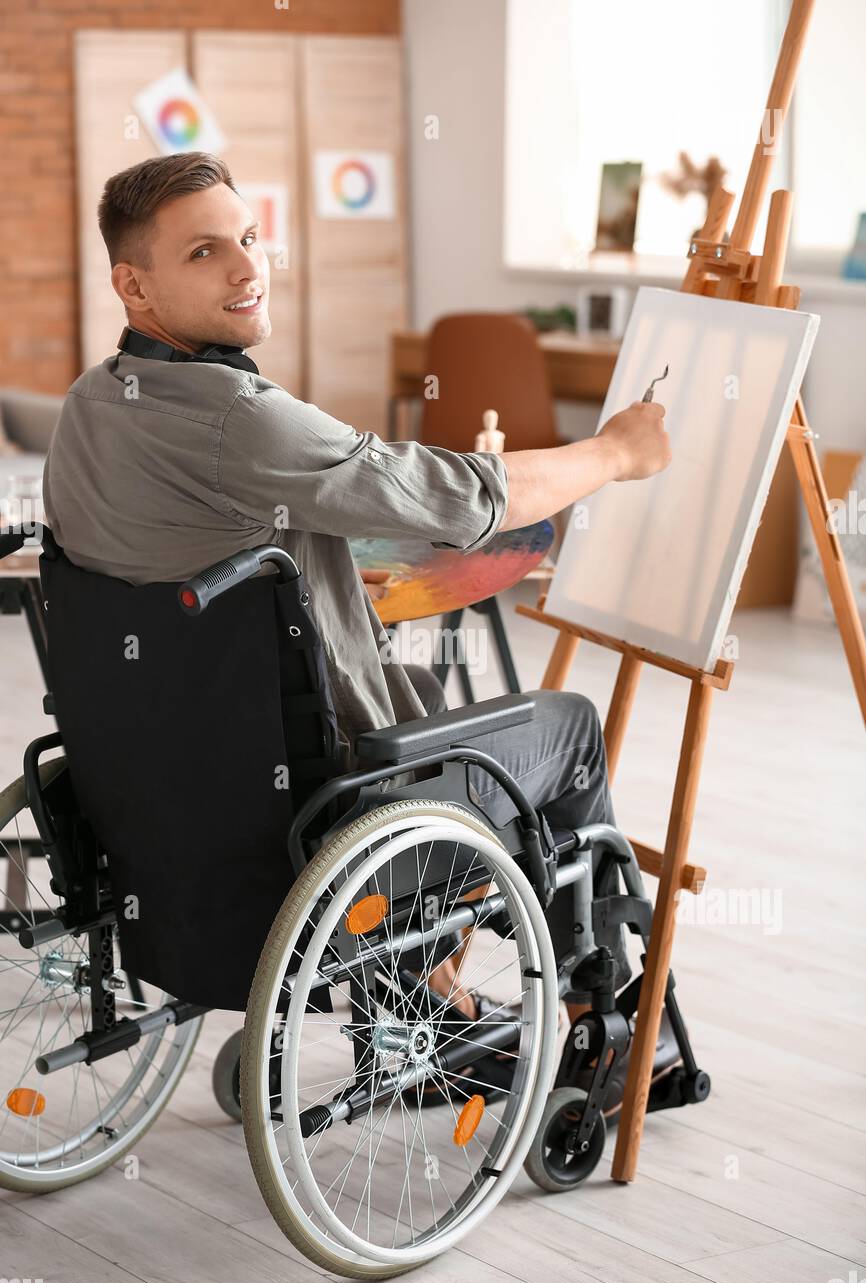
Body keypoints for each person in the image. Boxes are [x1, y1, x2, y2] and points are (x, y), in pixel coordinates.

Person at [43, 153, 677, 1108]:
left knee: (407, 690)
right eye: (207, 251)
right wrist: (616, 452)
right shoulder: (239, 421)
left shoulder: (88, 409)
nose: (247, 268)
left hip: (156, 805)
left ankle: (429, 1005)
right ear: (134, 283)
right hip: (307, 817)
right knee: (566, 728)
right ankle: (612, 1025)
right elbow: (457, 497)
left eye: (249, 238)